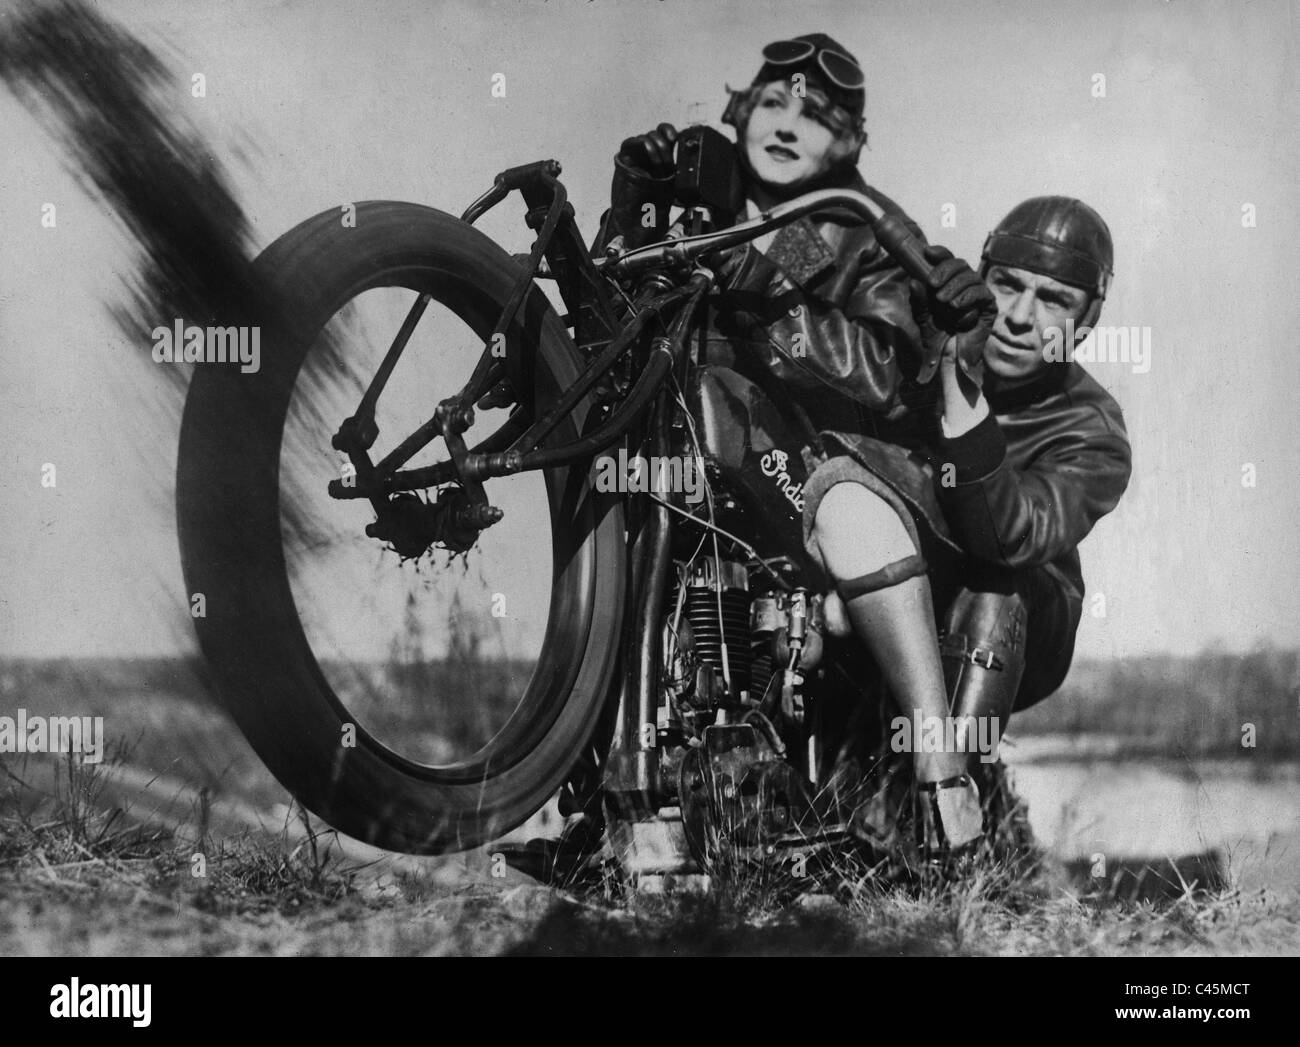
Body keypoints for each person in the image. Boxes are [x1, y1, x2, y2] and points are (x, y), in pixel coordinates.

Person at [570, 33, 1001, 859]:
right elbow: (601, 327)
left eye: (817, 116)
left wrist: (771, 300)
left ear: (849, 145)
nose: (788, 122)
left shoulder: (860, 228)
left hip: (820, 459)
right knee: (606, 546)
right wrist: (628, 208)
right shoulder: (701, 199)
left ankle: (941, 778)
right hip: (682, 448)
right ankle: (608, 803)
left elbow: (888, 374)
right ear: (740, 112)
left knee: (851, 519)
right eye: (773, 102)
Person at [809, 196, 1133, 855]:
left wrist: (958, 383)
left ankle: (953, 813)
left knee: (995, 586)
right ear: (979, 275)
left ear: (1089, 320)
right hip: (890, 585)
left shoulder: (1093, 432)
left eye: (1054, 300)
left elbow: (1004, 536)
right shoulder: (919, 341)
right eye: (1007, 284)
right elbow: (815, 342)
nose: (1018, 316)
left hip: (1011, 622)